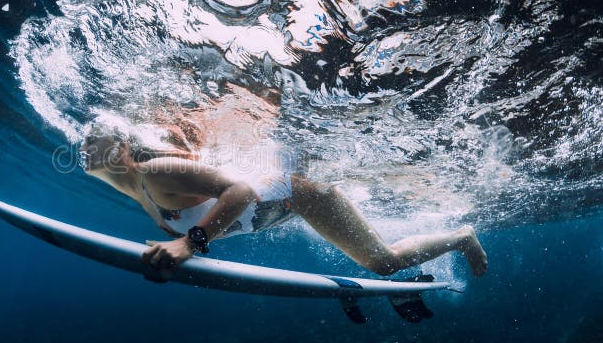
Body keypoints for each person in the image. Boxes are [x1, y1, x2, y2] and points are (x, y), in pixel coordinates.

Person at [77, 116, 488, 282]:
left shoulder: (156, 173)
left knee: (384, 263)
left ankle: (462, 235)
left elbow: (241, 190)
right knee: (380, 261)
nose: (84, 141)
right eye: (83, 141)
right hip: (275, 213)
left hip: (301, 196)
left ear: (124, 149)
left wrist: (188, 244)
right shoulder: (139, 193)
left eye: (95, 136)